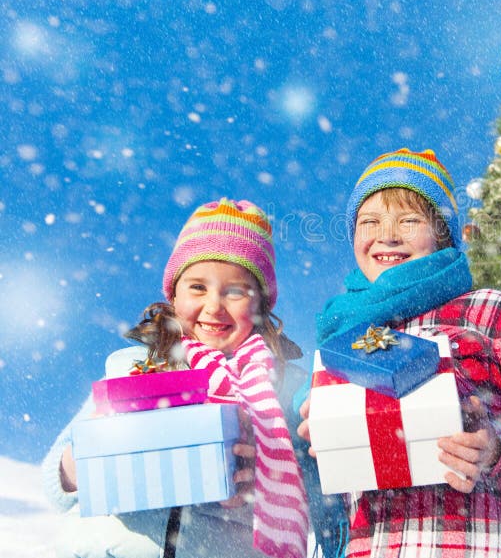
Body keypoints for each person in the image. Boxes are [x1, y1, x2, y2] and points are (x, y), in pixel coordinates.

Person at [297, 148, 501, 558]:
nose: (387, 235)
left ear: (442, 234)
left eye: (409, 220)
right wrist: (329, 432)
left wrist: (495, 443)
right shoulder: (347, 341)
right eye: (370, 222)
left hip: (484, 545)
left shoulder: (491, 311)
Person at [43, 198, 310, 558]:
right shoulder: (134, 367)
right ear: (173, 295)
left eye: (234, 291)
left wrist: (264, 478)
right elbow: (55, 483)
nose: (214, 306)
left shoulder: (285, 391)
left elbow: (323, 498)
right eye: (198, 287)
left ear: (261, 303)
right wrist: (91, 451)